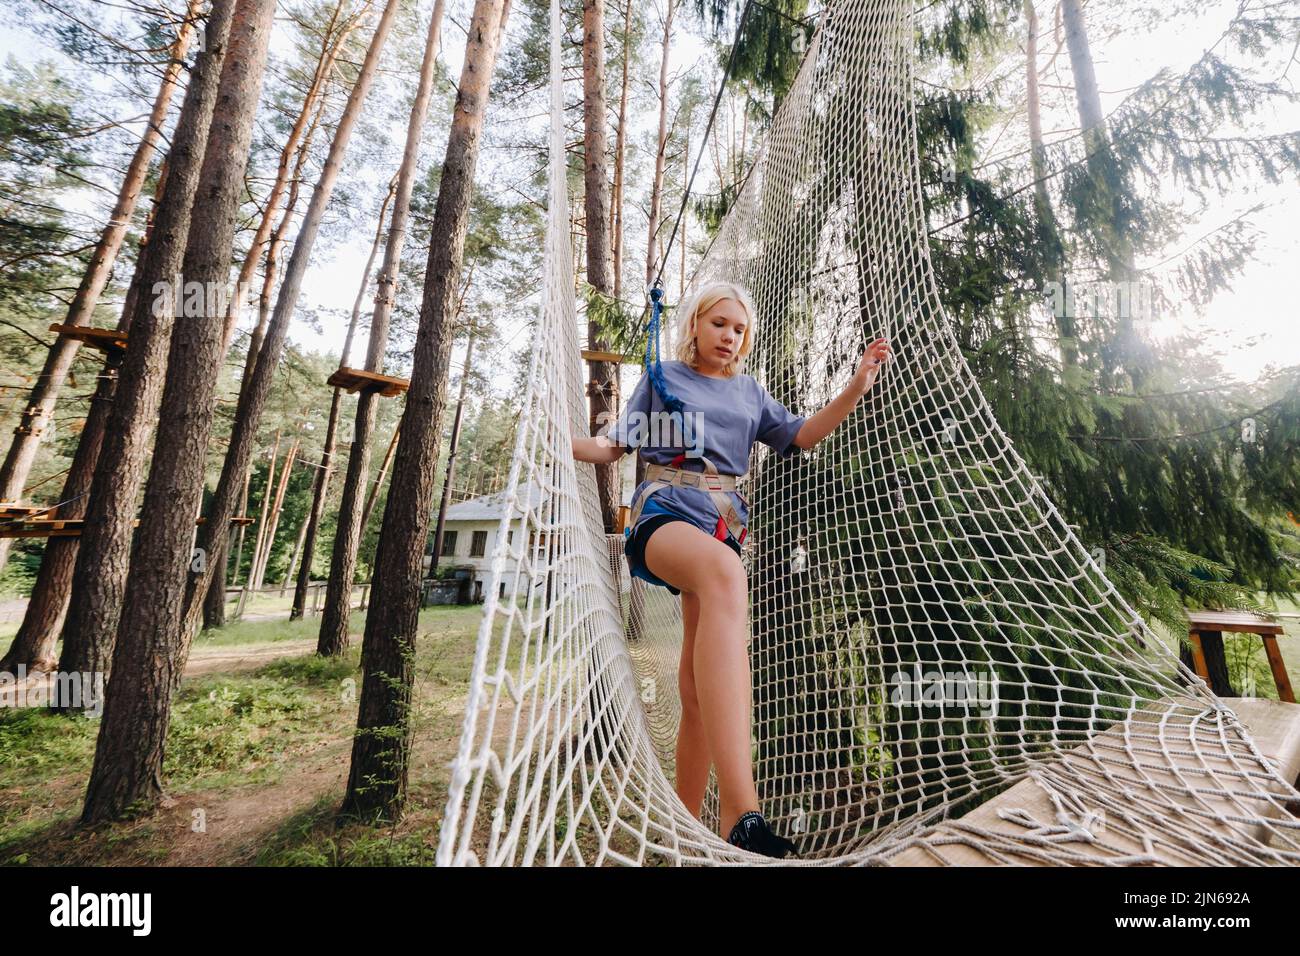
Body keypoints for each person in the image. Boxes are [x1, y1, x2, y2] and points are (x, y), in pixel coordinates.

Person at [571, 281, 892, 858]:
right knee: (724, 573)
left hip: (720, 528)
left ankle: (682, 832)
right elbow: (609, 448)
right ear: (695, 324)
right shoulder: (664, 380)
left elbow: (801, 435)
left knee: (696, 694)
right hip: (663, 517)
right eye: (720, 323)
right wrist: (553, 436)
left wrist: (856, 387)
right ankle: (741, 814)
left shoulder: (749, 394)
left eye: (740, 329)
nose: (730, 336)